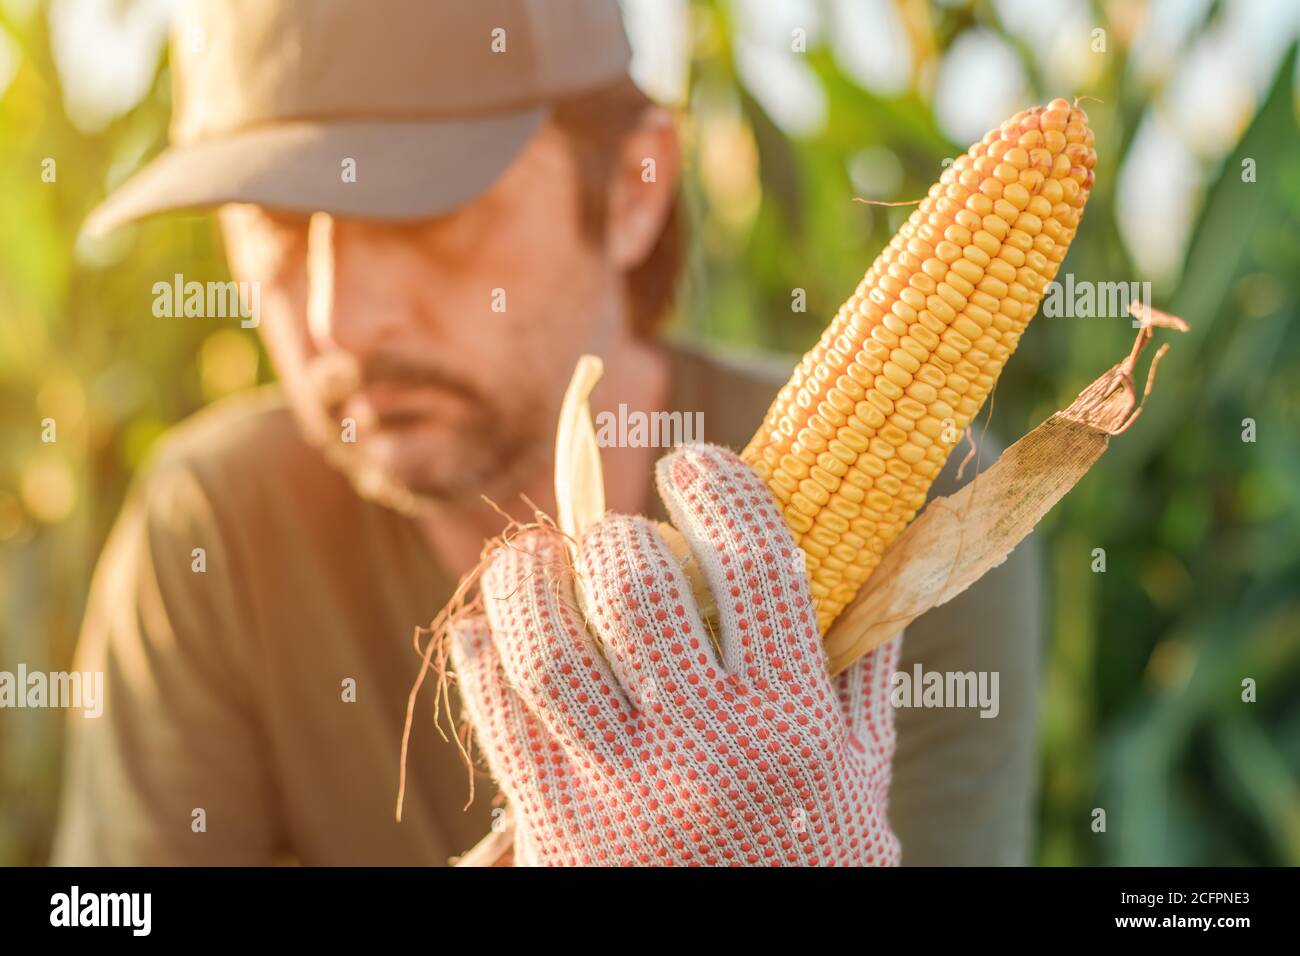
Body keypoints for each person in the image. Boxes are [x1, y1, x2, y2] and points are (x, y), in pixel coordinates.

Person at [53, 0, 1042, 866]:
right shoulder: (216, 527)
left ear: (634, 188)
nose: (342, 318)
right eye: (273, 222)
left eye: (419, 207)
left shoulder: (925, 512)